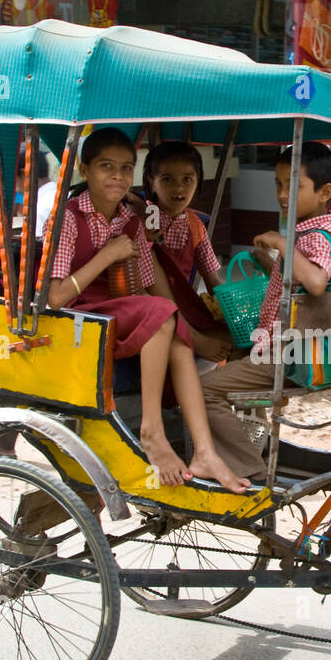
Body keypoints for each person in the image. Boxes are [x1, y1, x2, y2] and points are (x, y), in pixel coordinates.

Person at [45, 128, 249, 494]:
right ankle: (152, 430)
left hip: (113, 312)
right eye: (106, 167)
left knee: (173, 327)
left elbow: (146, 286)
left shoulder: (129, 221)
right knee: (163, 315)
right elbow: (55, 298)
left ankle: (205, 451)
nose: (118, 177)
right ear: (84, 169)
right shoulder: (68, 219)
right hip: (74, 318)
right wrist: (108, 255)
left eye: (125, 168)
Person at [200, 141, 331, 481]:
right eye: (279, 185)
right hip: (293, 346)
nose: (283, 194)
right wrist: (270, 264)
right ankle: (254, 446)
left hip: (285, 353)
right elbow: (297, 285)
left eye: (293, 186)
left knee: (203, 390)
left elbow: (315, 283)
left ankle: (247, 466)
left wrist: (282, 243)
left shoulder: (313, 237)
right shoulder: (318, 232)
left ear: (325, 192)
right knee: (231, 370)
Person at [138, 141, 233, 363]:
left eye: (187, 179)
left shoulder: (195, 225)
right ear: (152, 182)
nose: (178, 188)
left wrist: (234, 311)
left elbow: (212, 279)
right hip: (149, 304)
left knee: (234, 339)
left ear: (198, 181)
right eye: (167, 179)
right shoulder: (143, 217)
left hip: (185, 307)